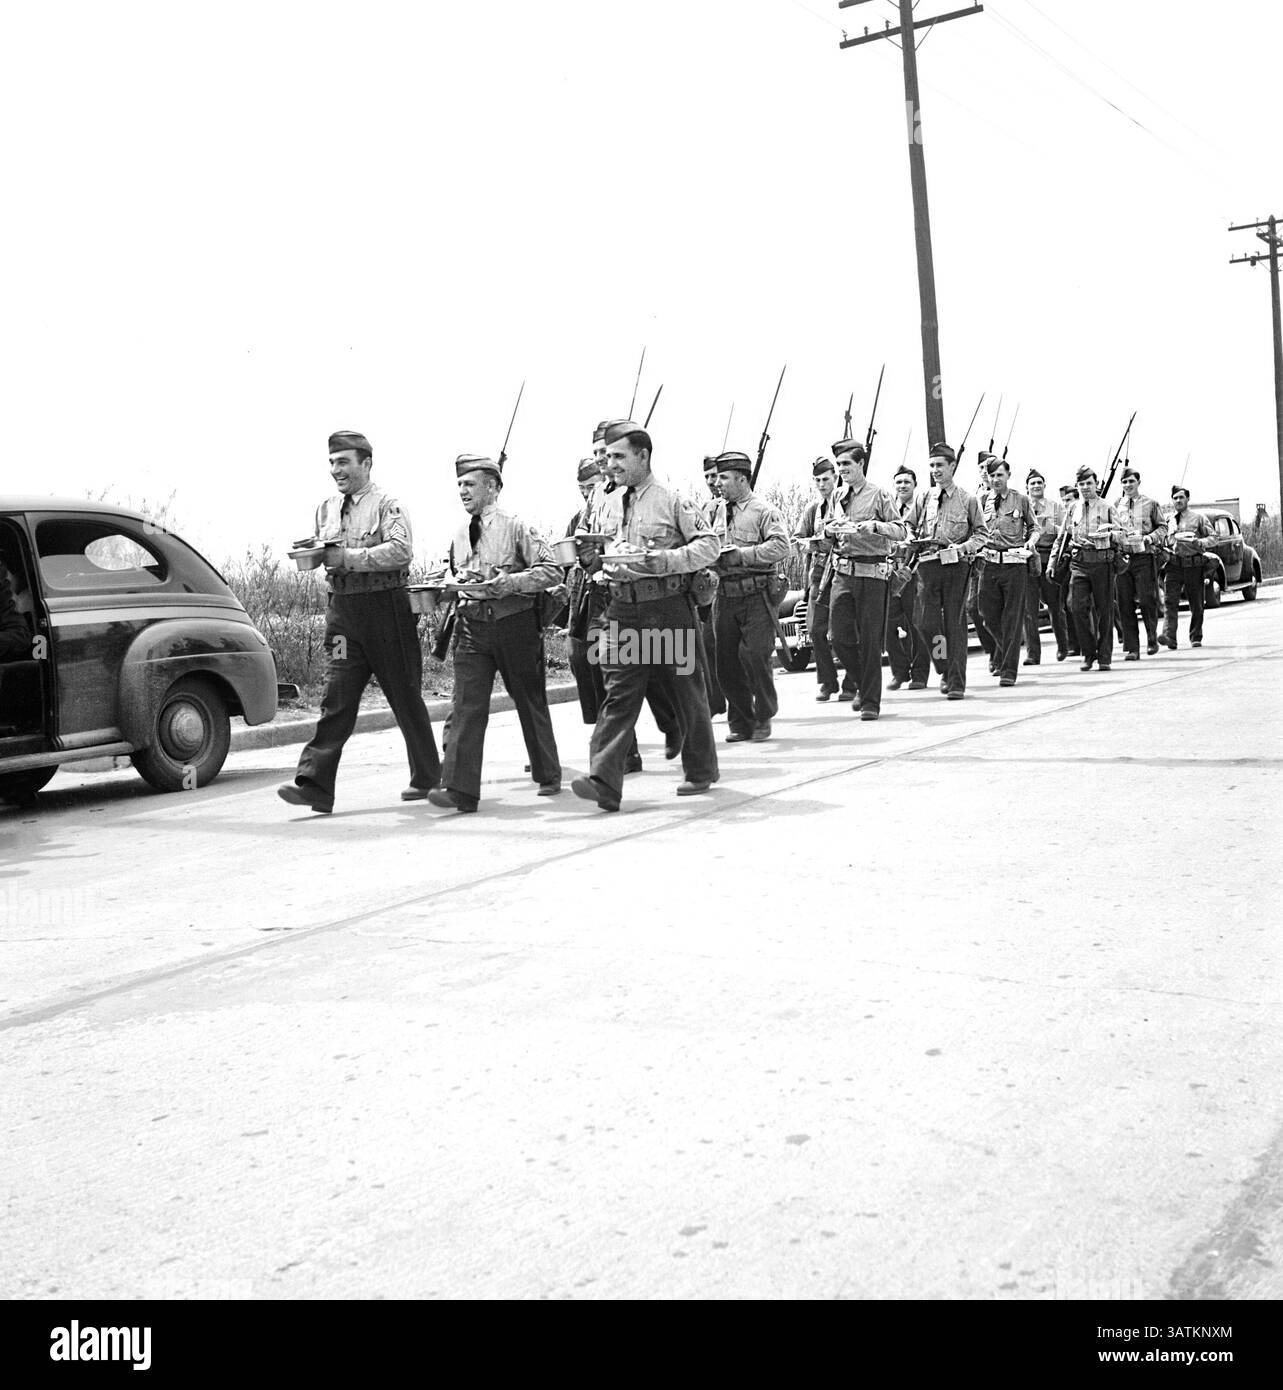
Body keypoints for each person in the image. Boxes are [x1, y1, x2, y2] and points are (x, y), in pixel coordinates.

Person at [279, 430, 441, 814]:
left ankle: (428, 776)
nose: (337, 470)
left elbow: (401, 551)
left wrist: (348, 557)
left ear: (366, 463)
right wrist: (313, 552)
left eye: (344, 462)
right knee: (337, 694)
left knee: (404, 694)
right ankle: (315, 784)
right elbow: (325, 549)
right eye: (333, 462)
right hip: (343, 614)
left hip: (386, 609)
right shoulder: (326, 508)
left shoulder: (389, 505)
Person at [571, 422, 720, 811]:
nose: (611, 464)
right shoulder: (602, 502)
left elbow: (710, 545)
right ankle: (604, 779)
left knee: (687, 691)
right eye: (608, 457)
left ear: (643, 456)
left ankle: (701, 770)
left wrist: (666, 560)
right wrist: (589, 556)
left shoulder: (672, 500)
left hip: (667, 606)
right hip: (621, 607)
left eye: (619, 456)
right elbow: (595, 549)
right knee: (618, 695)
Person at [427, 454, 562, 813]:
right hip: (472, 626)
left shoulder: (517, 527)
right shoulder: (458, 532)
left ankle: (548, 773)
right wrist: (444, 585)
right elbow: (453, 572)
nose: (462, 491)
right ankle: (459, 789)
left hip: (514, 624)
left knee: (528, 699)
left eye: (469, 484)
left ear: (493, 487)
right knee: (466, 705)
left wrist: (510, 582)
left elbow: (552, 571)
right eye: (459, 485)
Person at [824, 438, 907, 720]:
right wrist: (830, 530)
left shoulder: (879, 495)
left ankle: (871, 701)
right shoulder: (837, 496)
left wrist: (874, 526)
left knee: (871, 640)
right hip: (843, 573)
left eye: (847, 464)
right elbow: (830, 528)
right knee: (837, 636)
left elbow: (900, 531)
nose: (842, 469)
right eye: (839, 465)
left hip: (872, 574)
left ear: (861, 464)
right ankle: (862, 682)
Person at [710, 450, 790, 742]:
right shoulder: (712, 511)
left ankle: (763, 714)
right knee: (726, 662)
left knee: (756, 656)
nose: (718, 483)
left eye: (724, 477)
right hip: (724, 595)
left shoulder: (764, 510)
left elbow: (782, 547)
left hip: (757, 594)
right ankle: (741, 720)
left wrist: (743, 555)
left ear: (742, 479)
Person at [906, 443, 987, 700]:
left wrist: (963, 547)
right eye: (931, 466)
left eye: (940, 465)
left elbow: (981, 534)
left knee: (955, 623)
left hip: (955, 565)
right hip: (927, 565)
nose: (935, 470)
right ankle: (942, 664)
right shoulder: (923, 498)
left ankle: (956, 682)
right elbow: (907, 525)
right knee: (925, 622)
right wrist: (910, 538)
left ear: (952, 466)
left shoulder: (968, 499)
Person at [1049, 464, 1121, 672]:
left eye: (1089, 483)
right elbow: (1062, 536)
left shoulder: (1108, 507)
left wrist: (1107, 535)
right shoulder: (1073, 508)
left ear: (1096, 484)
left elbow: (1121, 535)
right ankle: (1089, 653)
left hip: (1102, 561)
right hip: (1079, 563)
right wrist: (1053, 562)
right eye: (1081, 484)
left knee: (1104, 609)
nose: (1085, 487)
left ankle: (1104, 656)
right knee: (1076, 607)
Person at [977, 456, 1039, 686]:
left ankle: (1008, 671)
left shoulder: (1020, 500)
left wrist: (1031, 542)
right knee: (985, 613)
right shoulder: (982, 499)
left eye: (1000, 475)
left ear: (1008, 476)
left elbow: (1034, 527)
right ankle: (1007, 647)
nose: (995, 479)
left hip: (1015, 564)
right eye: (992, 475)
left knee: (1012, 618)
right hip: (990, 563)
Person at [797, 457, 852, 701]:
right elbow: (798, 539)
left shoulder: (847, 503)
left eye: (826, 479)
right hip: (819, 571)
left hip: (843, 569)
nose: (822, 484)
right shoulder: (813, 509)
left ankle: (852, 682)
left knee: (845, 630)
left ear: (835, 477)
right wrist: (813, 542)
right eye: (817, 480)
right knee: (814, 629)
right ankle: (828, 682)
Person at [1113, 467, 1168, 660]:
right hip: (1123, 558)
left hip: (1144, 557)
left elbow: (1163, 528)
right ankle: (1132, 648)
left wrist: (1148, 538)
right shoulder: (1116, 505)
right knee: (1124, 602)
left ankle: (1152, 638)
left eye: (1131, 481)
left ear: (1138, 482)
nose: (1128, 485)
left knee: (1147, 600)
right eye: (1124, 482)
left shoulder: (1150, 504)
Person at [884, 464, 929, 691]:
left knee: (916, 625)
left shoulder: (923, 509)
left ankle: (920, 674)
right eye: (898, 482)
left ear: (915, 485)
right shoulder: (888, 509)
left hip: (915, 573)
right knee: (886, 625)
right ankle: (899, 670)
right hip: (891, 574)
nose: (902, 486)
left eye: (907, 482)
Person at [1159, 485, 1215, 650]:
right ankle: (1170, 637)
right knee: (1170, 602)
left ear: (1188, 499)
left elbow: (1214, 538)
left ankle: (1196, 636)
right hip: (1174, 565)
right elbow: (1163, 540)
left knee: (1196, 603)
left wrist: (1200, 542)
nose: (1178, 501)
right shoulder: (1168, 520)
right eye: (1175, 498)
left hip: (1193, 565)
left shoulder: (1198, 518)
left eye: (1181, 497)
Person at [1023, 469, 1069, 664]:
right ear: (1027, 488)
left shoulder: (1055, 506)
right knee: (1029, 609)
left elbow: (1067, 531)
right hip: (1028, 561)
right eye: (1032, 483)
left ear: (1044, 485)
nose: (1036, 486)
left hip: (1049, 559)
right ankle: (1033, 654)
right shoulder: (1022, 506)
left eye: (1039, 483)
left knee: (1055, 606)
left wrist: (1052, 527)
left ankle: (1063, 646)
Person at [696, 455, 727, 717]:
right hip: (708, 585)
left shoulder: (737, 505)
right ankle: (716, 701)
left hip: (733, 583)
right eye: (707, 476)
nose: (712, 481)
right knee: (707, 644)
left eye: (716, 475)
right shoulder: (703, 508)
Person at [968, 455, 1002, 673]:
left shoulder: (1007, 497)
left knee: (996, 610)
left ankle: (1001, 654)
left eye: (990, 468)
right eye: (981, 468)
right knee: (973, 607)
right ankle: (993, 649)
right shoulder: (972, 497)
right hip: (977, 560)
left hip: (1000, 560)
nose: (985, 472)